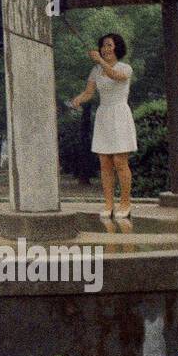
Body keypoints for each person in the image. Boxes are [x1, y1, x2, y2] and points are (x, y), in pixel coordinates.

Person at [67, 33, 137, 218]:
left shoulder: (125, 68)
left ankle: (125, 203)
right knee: (105, 163)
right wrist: (78, 99)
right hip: (103, 114)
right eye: (103, 46)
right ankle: (108, 204)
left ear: (117, 48)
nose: (105, 49)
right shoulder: (95, 71)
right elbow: (89, 92)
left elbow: (115, 76)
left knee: (120, 162)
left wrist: (99, 61)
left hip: (120, 114)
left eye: (109, 45)